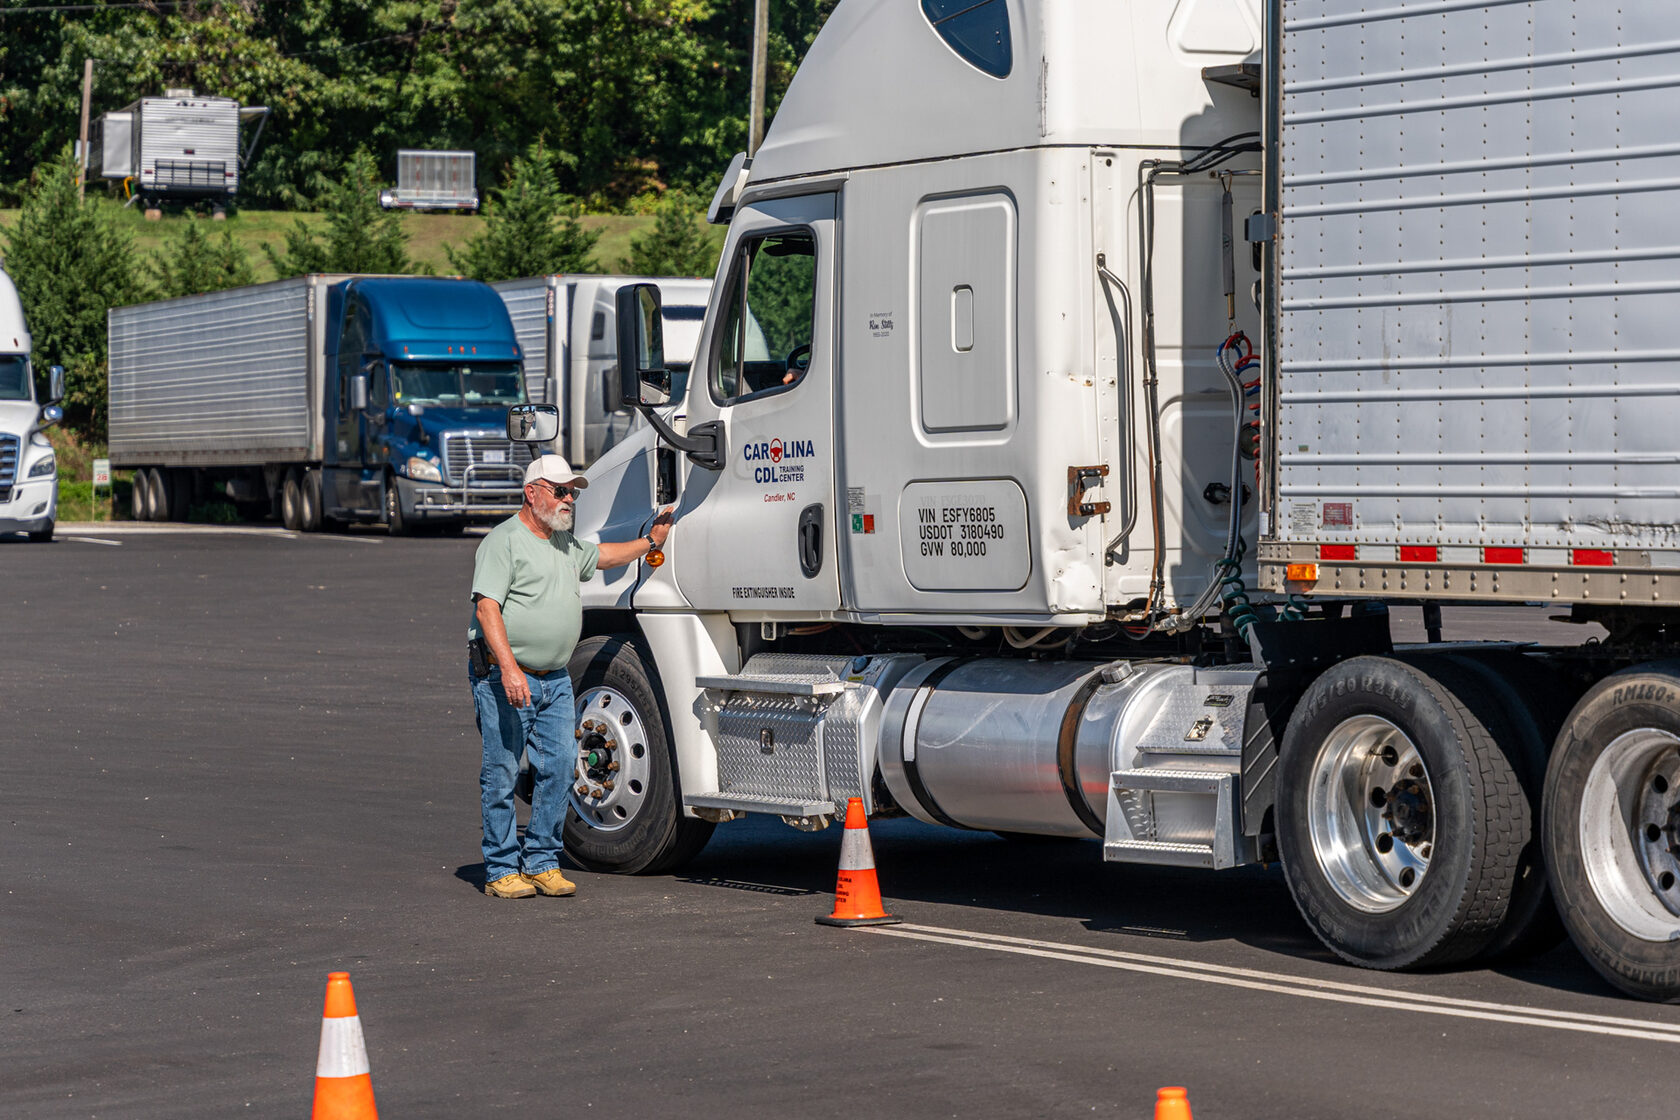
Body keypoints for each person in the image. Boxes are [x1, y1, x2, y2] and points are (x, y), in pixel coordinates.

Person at [467, 454, 675, 899]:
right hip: (508, 678)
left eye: (573, 492)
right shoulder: (503, 542)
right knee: (501, 774)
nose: (569, 500)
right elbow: (487, 609)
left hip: (555, 679)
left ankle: (541, 861)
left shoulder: (563, 543)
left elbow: (602, 556)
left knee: (561, 769)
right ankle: (501, 868)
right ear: (532, 493)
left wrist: (650, 540)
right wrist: (508, 669)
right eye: (560, 491)